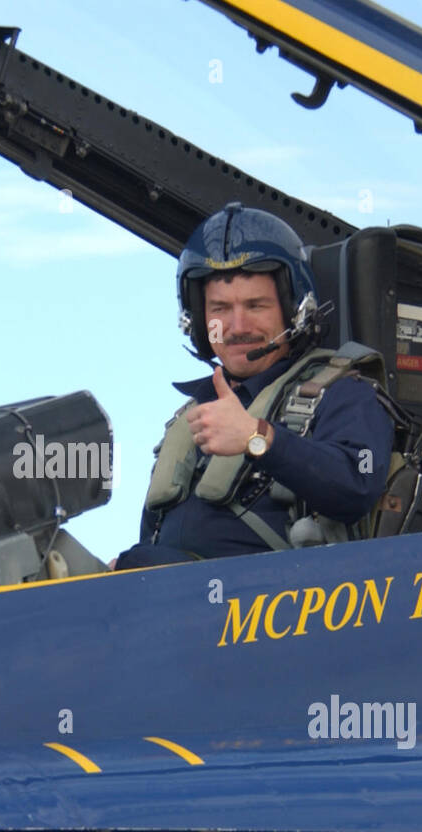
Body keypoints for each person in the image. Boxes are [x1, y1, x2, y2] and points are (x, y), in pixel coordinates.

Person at [114, 203, 394, 569]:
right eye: (219, 309)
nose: (237, 326)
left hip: (280, 600)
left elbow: (357, 485)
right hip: (166, 595)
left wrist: (258, 438)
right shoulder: (190, 420)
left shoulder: (342, 391)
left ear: (294, 309)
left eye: (256, 306)